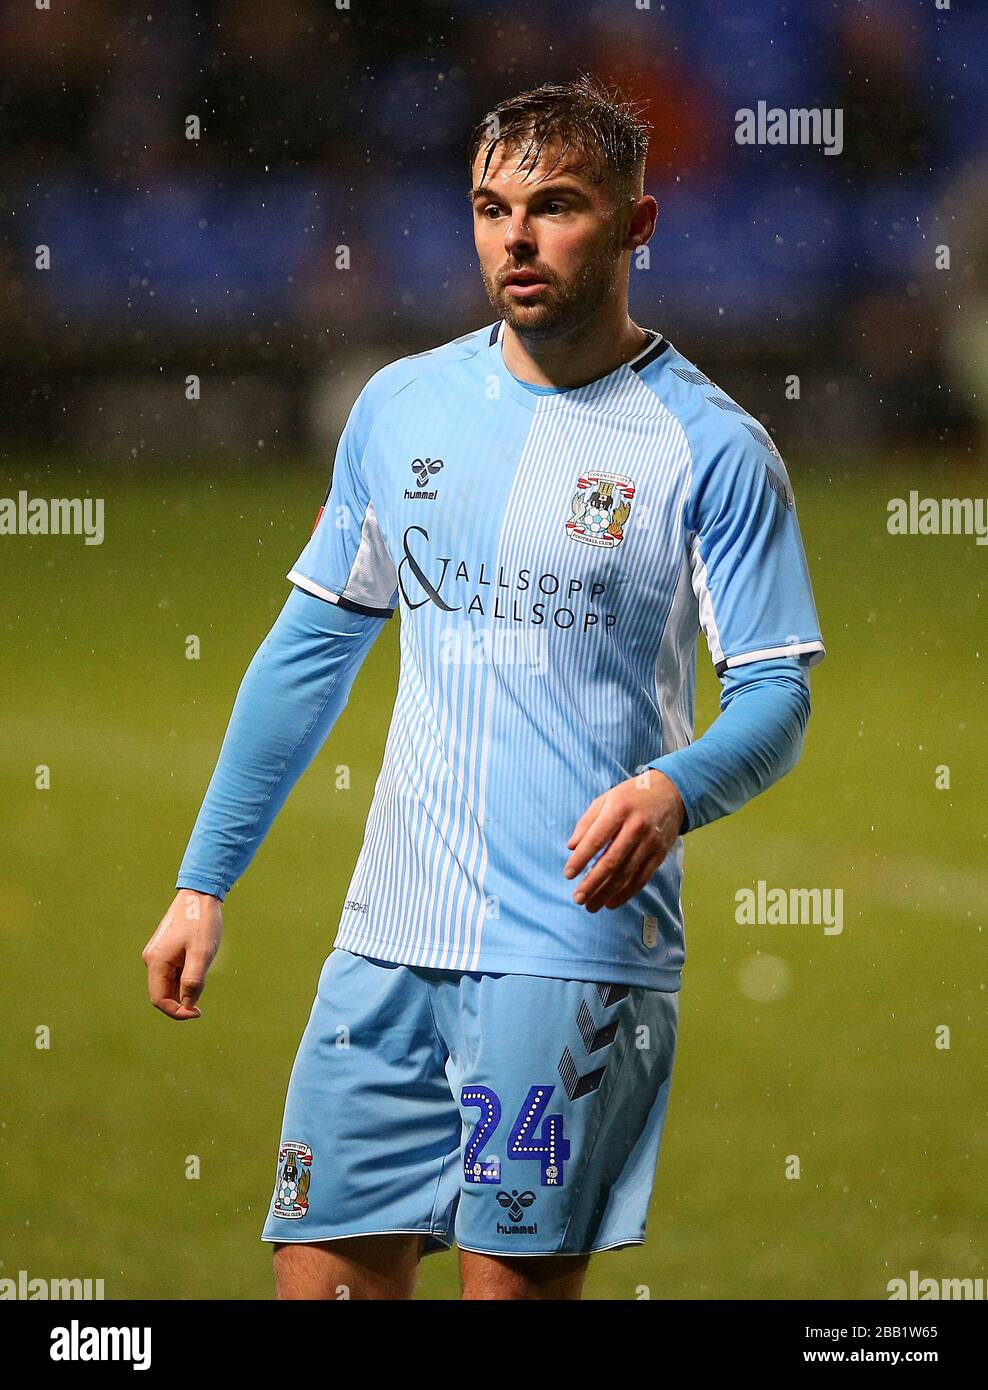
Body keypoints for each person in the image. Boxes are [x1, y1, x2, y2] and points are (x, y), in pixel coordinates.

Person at [143, 76, 825, 1301]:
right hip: (384, 943)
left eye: (555, 205)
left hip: (570, 945)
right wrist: (203, 880)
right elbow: (309, 651)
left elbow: (776, 696)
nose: (514, 236)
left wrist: (675, 788)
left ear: (636, 224)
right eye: (488, 207)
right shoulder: (400, 406)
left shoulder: (708, 448)